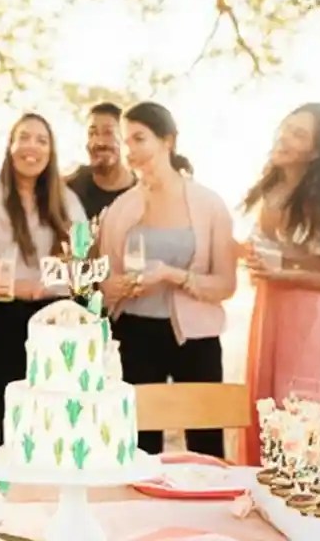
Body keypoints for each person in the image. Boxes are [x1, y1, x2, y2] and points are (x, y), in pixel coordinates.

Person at [237, 102, 320, 466]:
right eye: (286, 127)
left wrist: (290, 275)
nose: (284, 136)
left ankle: (298, 500)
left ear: (316, 152)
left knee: (297, 411)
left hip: (307, 317)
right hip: (267, 310)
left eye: (298, 133)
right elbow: (268, 251)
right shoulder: (271, 189)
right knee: (260, 407)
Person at [98, 102, 237, 458]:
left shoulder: (210, 205)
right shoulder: (121, 208)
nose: (131, 151)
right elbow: (103, 279)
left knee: (206, 445)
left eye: (139, 139)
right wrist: (109, 289)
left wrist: (171, 275)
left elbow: (225, 285)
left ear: (168, 140)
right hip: (135, 334)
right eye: (126, 142)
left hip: (197, 339)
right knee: (138, 446)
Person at [0, 113, 86, 445]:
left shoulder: (67, 201)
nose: (32, 147)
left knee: (57, 423)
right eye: (24, 137)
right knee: (8, 422)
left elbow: (82, 257)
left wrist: (61, 271)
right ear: (10, 146)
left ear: (51, 151)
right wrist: (21, 287)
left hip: (58, 322)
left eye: (42, 140)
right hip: (5, 320)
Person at [66, 102, 136, 220]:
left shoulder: (142, 194)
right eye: (92, 133)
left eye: (108, 133)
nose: (99, 142)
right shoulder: (71, 189)